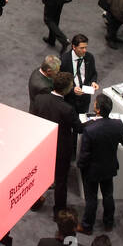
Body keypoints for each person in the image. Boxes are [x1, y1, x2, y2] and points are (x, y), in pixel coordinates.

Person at [32, 72, 83, 215]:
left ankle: (35, 203)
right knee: (61, 181)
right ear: (66, 89)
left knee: (40, 175)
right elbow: (79, 128)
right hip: (61, 150)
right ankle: (59, 211)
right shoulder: (67, 109)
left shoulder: (39, 99)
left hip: (42, 145)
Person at [78, 93, 123, 233]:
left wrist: (81, 167)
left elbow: (85, 154)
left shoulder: (89, 130)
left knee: (91, 198)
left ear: (98, 110)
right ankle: (108, 223)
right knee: (108, 195)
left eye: (95, 103)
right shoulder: (117, 125)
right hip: (109, 167)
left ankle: (87, 226)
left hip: (91, 171)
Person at [63, 34, 98, 114]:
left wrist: (93, 82)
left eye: (86, 47)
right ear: (74, 47)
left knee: (82, 121)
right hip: (70, 100)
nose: (85, 50)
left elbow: (93, 73)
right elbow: (61, 82)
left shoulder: (89, 57)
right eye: (82, 48)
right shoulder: (64, 60)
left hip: (85, 98)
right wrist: (72, 89)